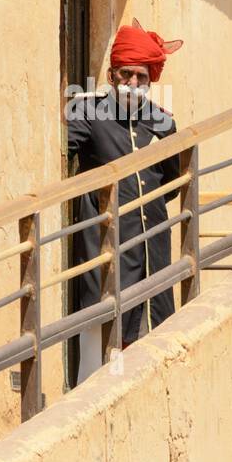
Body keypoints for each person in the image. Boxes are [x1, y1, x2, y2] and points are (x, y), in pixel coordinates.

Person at [65, 20, 183, 381]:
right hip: (106, 244)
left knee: (154, 334)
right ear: (113, 73)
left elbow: (173, 183)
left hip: (153, 247)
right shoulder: (87, 112)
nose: (133, 83)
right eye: (126, 74)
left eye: (141, 77)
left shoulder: (162, 123)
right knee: (101, 341)